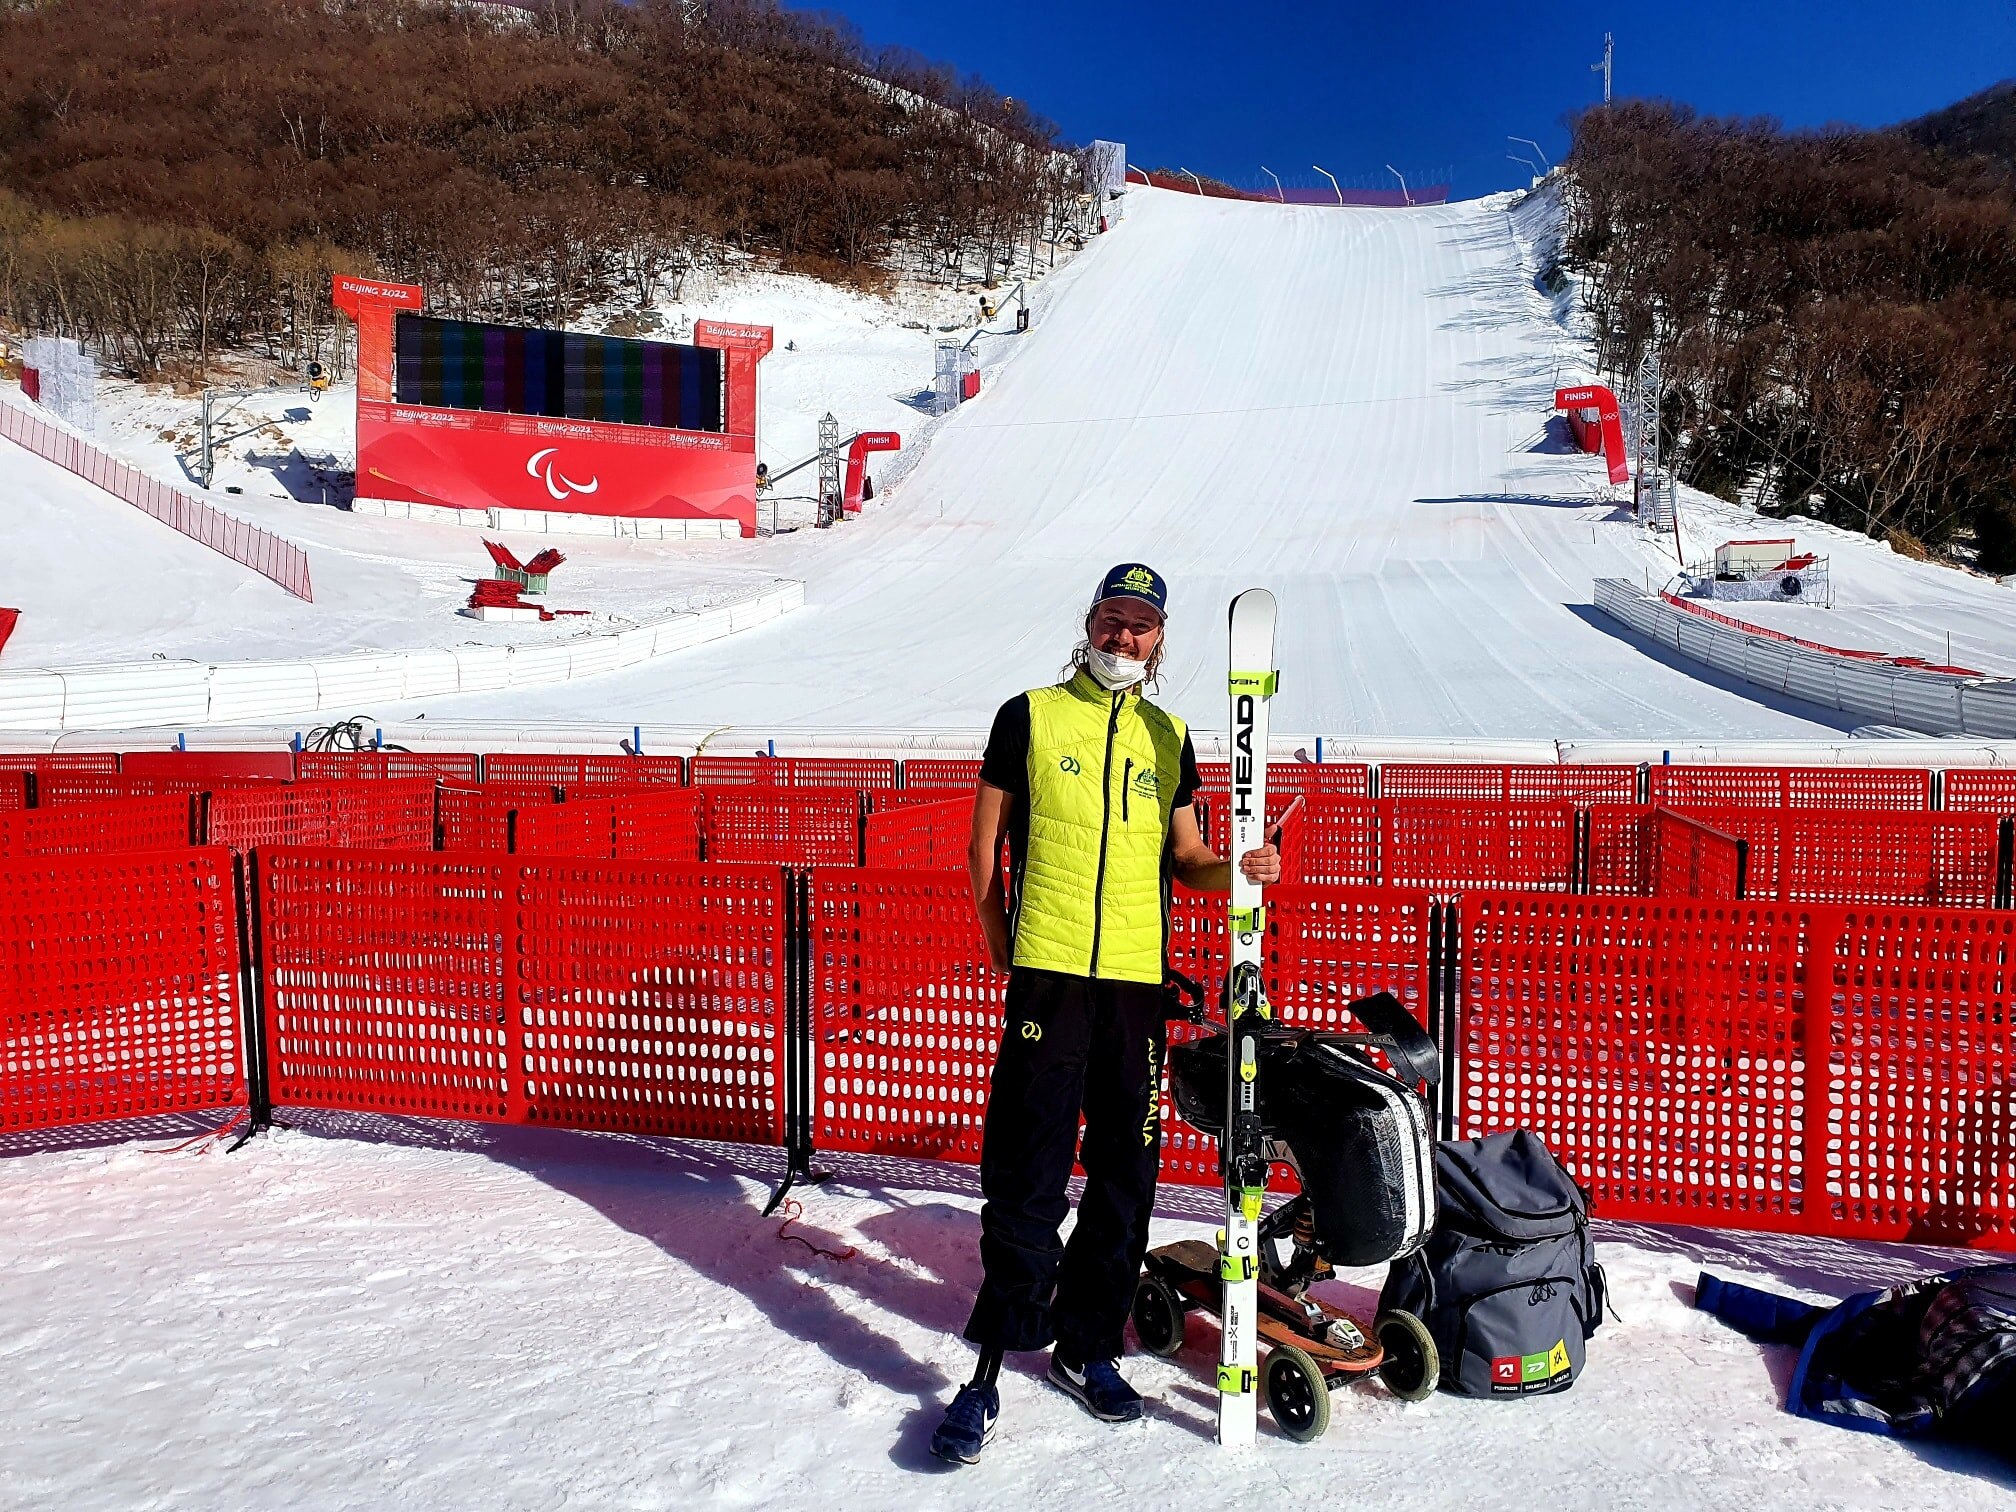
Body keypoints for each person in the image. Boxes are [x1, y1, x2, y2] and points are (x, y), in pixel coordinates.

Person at [929, 563, 1280, 1464]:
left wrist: (1243, 869)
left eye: (1142, 626)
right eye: (1112, 620)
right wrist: (1000, 937)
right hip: (1050, 973)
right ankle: (992, 1365)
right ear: (1089, 624)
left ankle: (1088, 1345)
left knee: (1127, 1172)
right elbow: (982, 841)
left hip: (1136, 982)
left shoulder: (1170, 736)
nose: (1124, 638)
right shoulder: (1033, 716)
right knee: (1030, 1167)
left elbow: (1189, 857)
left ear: (1161, 641)